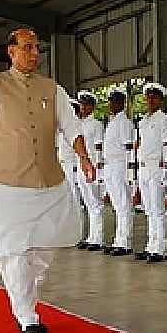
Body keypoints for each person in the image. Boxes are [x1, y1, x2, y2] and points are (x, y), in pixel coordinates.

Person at [0, 28, 94, 333]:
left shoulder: (53, 89)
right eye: (27, 47)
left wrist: (85, 159)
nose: (34, 54)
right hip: (5, 185)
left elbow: (71, 126)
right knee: (14, 253)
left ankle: (26, 296)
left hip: (49, 181)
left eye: (37, 48)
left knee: (43, 250)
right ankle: (27, 318)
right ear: (11, 51)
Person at [134, 83, 167, 262]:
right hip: (143, 167)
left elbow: (166, 145)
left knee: (157, 209)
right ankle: (151, 245)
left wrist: (165, 169)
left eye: (154, 97)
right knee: (149, 209)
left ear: (160, 100)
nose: (150, 100)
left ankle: (160, 248)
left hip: (156, 166)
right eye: (148, 96)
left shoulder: (163, 119)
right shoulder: (142, 121)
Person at [102, 87, 135, 256]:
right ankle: (118, 240)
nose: (112, 104)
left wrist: (130, 174)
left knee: (124, 205)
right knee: (116, 205)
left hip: (120, 166)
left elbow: (129, 149)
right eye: (111, 101)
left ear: (122, 103)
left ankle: (125, 242)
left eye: (116, 101)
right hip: (110, 166)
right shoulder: (112, 121)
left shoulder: (124, 123)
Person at [74, 90, 106, 252]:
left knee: (95, 203)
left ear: (92, 107)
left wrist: (99, 172)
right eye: (81, 104)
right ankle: (91, 237)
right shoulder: (78, 124)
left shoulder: (96, 124)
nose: (83, 107)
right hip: (81, 165)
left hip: (92, 165)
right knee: (87, 202)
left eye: (86, 104)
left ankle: (98, 237)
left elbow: (99, 149)